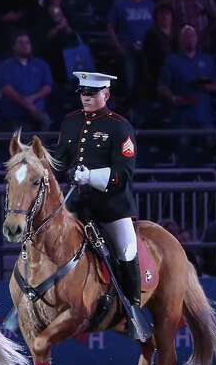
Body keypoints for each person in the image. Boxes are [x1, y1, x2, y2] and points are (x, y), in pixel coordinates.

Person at [53, 70, 148, 340]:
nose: (85, 97)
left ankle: (132, 310)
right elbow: (59, 159)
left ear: (105, 94)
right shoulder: (70, 122)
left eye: (91, 93)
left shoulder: (119, 126)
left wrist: (91, 176)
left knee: (126, 249)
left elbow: (125, 172)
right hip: (76, 205)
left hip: (110, 206)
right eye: (83, 92)